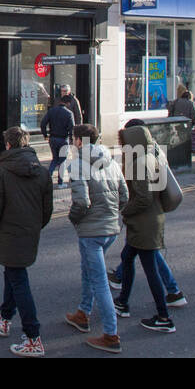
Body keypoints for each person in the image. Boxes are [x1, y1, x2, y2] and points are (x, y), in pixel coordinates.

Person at [0, 125, 54, 357]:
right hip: (29, 232)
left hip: (7, 233)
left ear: (8, 145)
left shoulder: (0, 173)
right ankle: (5, 317)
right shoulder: (42, 172)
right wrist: (34, 226)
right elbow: (47, 210)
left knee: (18, 279)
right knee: (13, 274)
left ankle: (33, 337)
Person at [64, 123, 128, 353]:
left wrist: (75, 219)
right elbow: (124, 194)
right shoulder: (110, 161)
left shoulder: (78, 164)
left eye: (74, 139)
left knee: (99, 281)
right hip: (111, 228)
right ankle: (83, 312)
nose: (73, 142)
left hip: (92, 230)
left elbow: (81, 202)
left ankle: (111, 335)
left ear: (81, 141)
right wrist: (111, 215)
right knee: (88, 270)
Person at [113, 121, 175, 333]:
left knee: (150, 271)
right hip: (151, 219)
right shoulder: (153, 156)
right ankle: (122, 302)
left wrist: (124, 211)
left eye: (125, 142)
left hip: (144, 223)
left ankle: (164, 316)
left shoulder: (139, 163)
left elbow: (143, 198)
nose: (122, 146)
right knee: (127, 258)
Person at [40, 94, 74, 187]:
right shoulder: (69, 113)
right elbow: (71, 128)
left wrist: (45, 135)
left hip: (53, 138)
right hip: (63, 139)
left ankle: (47, 180)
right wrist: (71, 140)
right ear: (68, 103)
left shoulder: (51, 111)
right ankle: (60, 183)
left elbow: (43, 123)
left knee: (54, 159)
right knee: (62, 161)